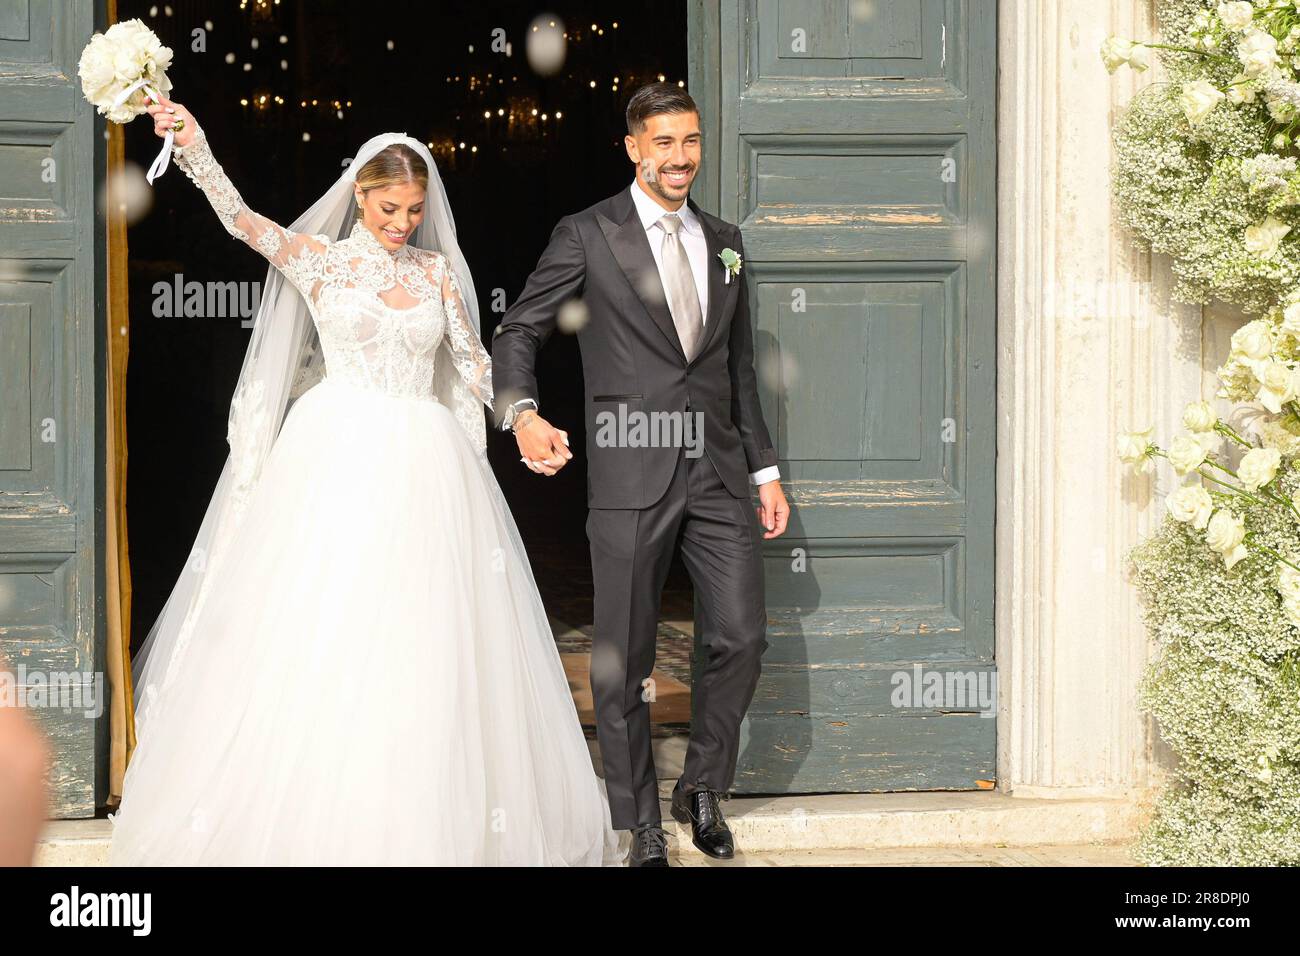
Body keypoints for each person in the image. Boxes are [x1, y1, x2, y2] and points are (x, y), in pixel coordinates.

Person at [107, 93, 626, 865]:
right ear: (359, 194)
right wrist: (193, 143)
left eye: (414, 210)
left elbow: (475, 366)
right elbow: (239, 218)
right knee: (320, 627)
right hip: (333, 457)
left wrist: (524, 418)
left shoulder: (438, 273)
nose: (403, 223)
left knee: (422, 641)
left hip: (425, 464)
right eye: (390, 208)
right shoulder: (319, 261)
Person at [492, 83, 790, 866]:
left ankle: (701, 786)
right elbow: (519, 328)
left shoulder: (725, 240)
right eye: (663, 143)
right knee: (622, 656)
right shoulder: (588, 234)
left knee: (741, 637)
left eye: (690, 141)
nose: (679, 158)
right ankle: (641, 824)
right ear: (633, 147)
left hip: (720, 472)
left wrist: (765, 471)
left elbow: (736, 367)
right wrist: (522, 414)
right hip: (630, 469)